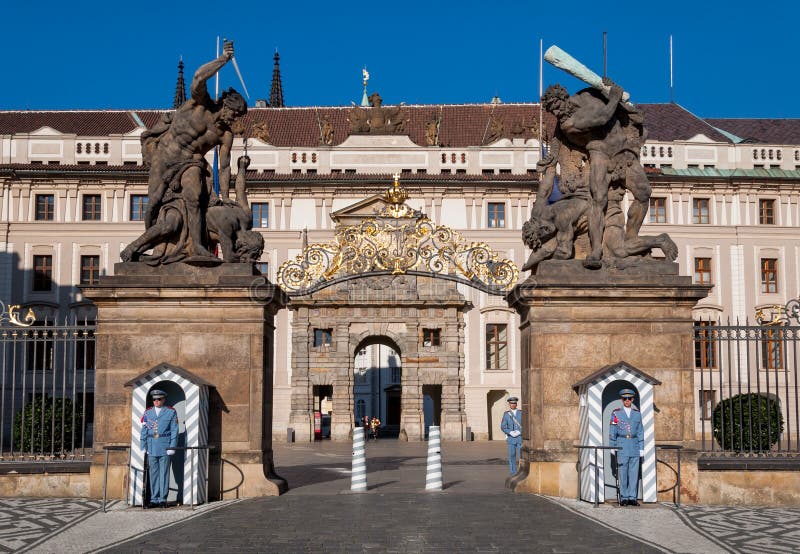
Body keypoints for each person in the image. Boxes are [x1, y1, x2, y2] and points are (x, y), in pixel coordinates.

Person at [141, 40, 247, 261]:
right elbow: (199, 77)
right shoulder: (200, 103)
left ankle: (197, 246)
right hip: (165, 157)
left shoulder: (224, 134)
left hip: (191, 163)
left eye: (237, 117)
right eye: (234, 114)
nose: (234, 119)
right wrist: (223, 59)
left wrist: (225, 197)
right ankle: (151, 249)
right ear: (225, 105)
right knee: (153, 207)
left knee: (194, 196)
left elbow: (225, 165)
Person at [539, 81, 650, 269]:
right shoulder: (568, 124)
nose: (556, 113)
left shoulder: (587, 95)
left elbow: (616, 108)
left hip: (624, 152)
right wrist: (614, 96)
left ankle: (631, 237)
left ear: (563, 97)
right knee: (598, 200)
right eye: (552, 111)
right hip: (601, 155)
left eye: (556, 107)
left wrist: (608, 87)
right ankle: (596, 250)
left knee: (644, 193)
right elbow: (602, 118)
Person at [140, 389, 179, 508]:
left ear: (164, 399)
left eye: (159, 399)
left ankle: (162, 499)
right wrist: (143, 445)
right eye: (154, 399)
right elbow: (144, 430)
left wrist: (172, 446)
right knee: (154, 473)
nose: (156, 401)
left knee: (164, 473)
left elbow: (174, 430)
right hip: (151, 445)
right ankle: (154, 499)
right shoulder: (148, 413)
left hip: (165, 445)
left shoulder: (170, 412)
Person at [609, 388, 644, 506]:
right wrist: (612, 446)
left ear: (632, 399)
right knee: (623, 472)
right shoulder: (616, 413)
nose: (627, 400)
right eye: (625, 398)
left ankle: (632, 497)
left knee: (634, 473)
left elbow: (640, 431)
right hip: (622, 445)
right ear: (622, 399)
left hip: (634, 444)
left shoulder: (637, 414)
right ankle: (624, 497)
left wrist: (642, 447)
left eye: (629, 398)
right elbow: (612, 430)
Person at [500, 396, 522, 475]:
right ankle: (513, 472)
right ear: (509, 404)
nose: (513, 405)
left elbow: (526, 425)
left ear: (516, 404)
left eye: (514, 403)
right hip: (511, 438)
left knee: (521, 456)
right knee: (512, 455)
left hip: (520, 438)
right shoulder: (506, 414)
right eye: (511, 403)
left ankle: (521, 471)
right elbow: (503, 426)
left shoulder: (521, 413)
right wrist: (510, 432)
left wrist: (520, 431)